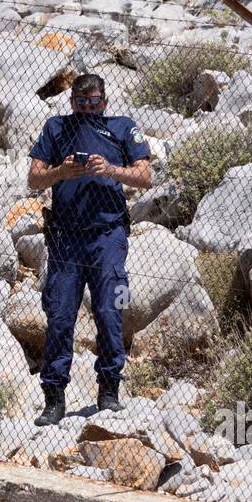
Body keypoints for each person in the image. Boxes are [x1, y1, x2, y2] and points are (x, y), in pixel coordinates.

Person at [27, 73, 153, 427]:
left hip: (107, 236)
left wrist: (110, 169)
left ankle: (109, 389)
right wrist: (60, 173)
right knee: (60, 316)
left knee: (110, 311)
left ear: (105, 101)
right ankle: (54, 398)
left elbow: (145, 177)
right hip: (65, 237)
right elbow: (34, 179)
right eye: (80, 103)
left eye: (94, 102)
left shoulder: (122, 127)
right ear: (71, 103)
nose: (87, 109)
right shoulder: (56, 128)